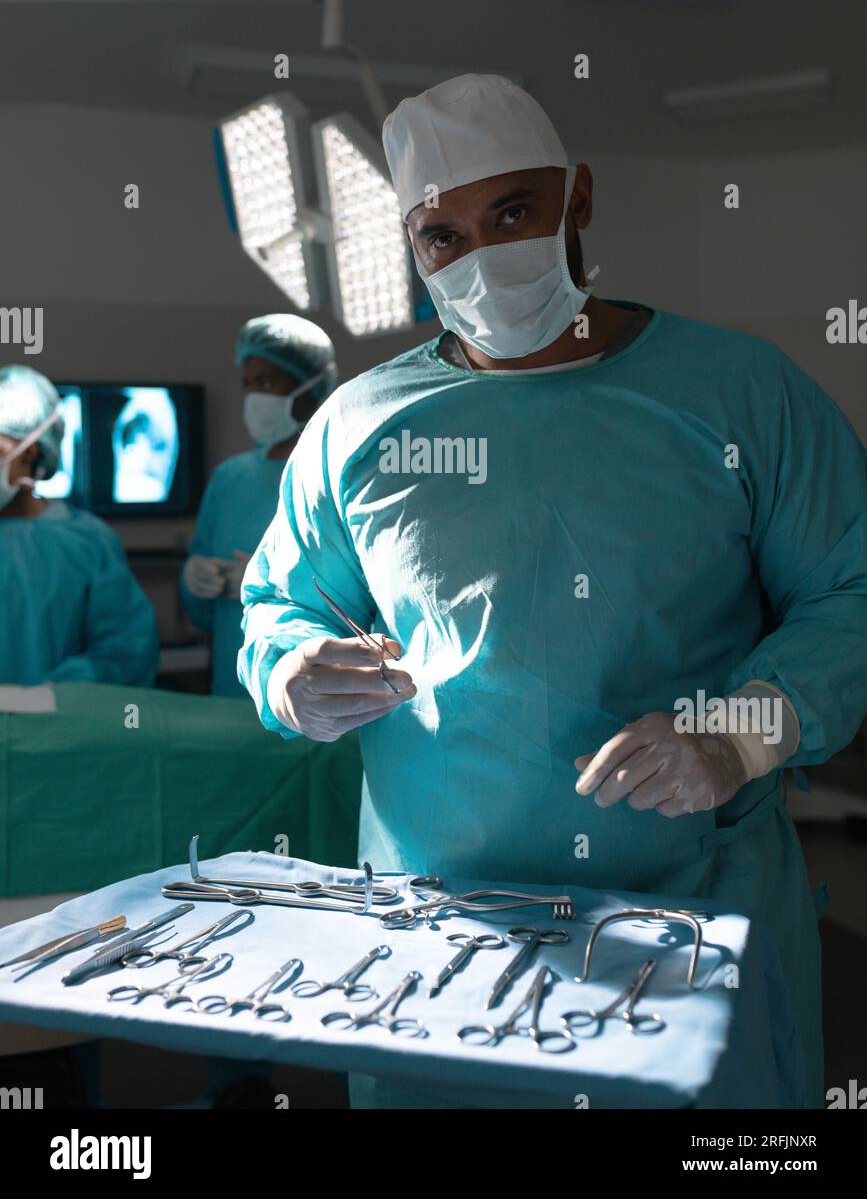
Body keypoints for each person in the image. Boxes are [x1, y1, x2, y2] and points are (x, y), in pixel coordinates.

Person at [238, 74, 867, 1107]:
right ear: (413, 248)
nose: (481, 255)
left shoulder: (741, 393)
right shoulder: (359, 424)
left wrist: (738, 730)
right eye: (442, 235)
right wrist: (290, 670)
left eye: (514, 212)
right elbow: (279, 608)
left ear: (579, 198)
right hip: (439, 933)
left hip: (689, 916)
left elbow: (851, 590)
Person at [181, 314, 337, 697]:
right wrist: (194, 582)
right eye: (248, 384)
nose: (254, 396)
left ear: (312, 386)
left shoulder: (335, 473)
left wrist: (270, 584)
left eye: (266, 382)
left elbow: (363, 600)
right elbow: (202, 616)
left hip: (313, 698)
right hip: (232, 693)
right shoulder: (229, 479)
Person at [0, 364, 159, 687]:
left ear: (29, 449)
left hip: (57, 728)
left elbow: (126, 653)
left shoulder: (85, 541)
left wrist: (50, 696)